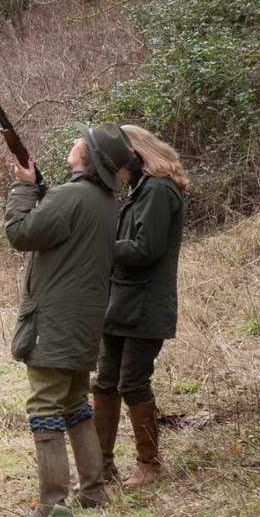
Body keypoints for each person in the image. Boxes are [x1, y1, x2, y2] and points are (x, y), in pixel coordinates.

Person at [5, 122, 138, 517]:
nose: (77, 141)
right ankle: (94, 490)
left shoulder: (70, 196)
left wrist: (25, 188)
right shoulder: (102, 200)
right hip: (84, 323)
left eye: (83, 141)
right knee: (75, 405)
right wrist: (42, 191)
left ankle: (53, 506)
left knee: (44, 406)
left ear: (88, 160)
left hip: (55, 322)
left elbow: (20, 233)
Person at [93, 125, 187, 488]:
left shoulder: (159, 191)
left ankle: (148, 465)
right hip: (121, 302)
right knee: (105, 382)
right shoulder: (141, 189)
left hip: (146, 304)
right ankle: (102, 466)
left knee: (133, 382)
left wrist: (98, 247)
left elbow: (146, 250)